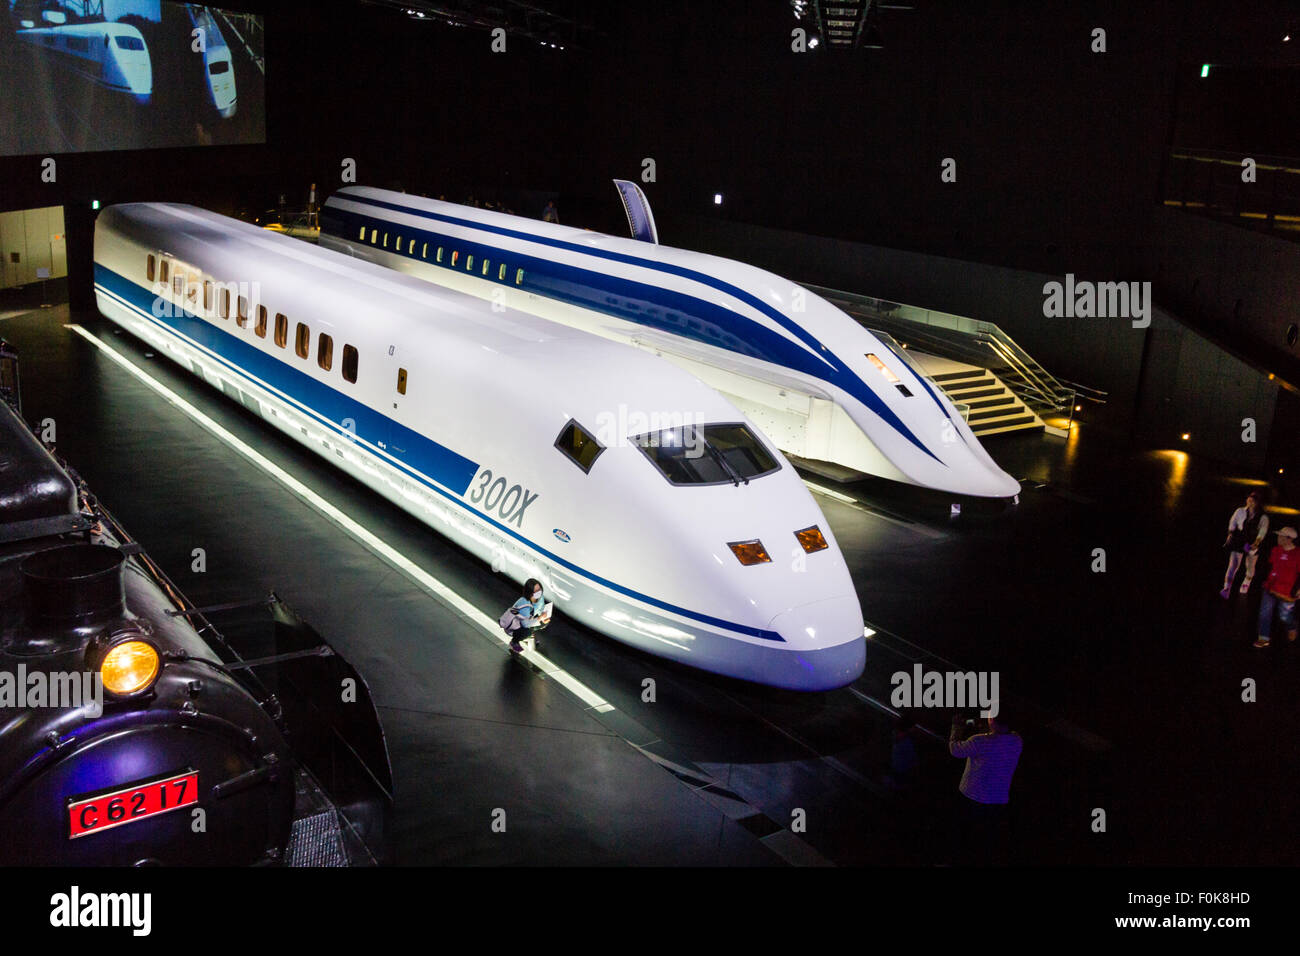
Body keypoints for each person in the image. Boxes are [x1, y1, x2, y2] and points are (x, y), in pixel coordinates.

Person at [949, 710, 1022, 863]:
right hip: (998, 799)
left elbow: (956, 750)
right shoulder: (1017, 741)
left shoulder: (978, 741)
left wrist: (956, 728)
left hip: (971, 795)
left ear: (993, 720)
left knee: (964, 832)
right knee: (985, 838)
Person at [1254, 526, 1299, 648]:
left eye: (1281, 536)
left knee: (1284, 616)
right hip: (1270, 587)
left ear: (1289, 539)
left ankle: (1292, 626)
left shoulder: (1297, 554)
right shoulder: (1275, 550)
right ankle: (1264, 638)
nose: (1278, 538)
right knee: (1264, 613)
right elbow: (1270, 566)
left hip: (1286, 592)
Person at [1222, 491, 1269, 597]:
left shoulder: (1263, 517)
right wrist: (1230, 533)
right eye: (1249, 499)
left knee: (1250, 565)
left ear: (1258, 503)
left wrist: (1256, 543)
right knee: (1233, 564)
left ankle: (1246, 584)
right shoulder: (1240, 511)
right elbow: (1232, 522)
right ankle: (1227, 586)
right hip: (1240, 539)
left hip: (1253, 541)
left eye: (1253, 500)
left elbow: (1263, 531)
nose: (1250, 502)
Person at [506, 578, 551, 653]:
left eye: (539, 589)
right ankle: (514, 642)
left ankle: (528, 635)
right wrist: (540, 618)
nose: (538, 592)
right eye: (535, 591)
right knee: (527, 630)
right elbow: (525, 624)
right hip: (515, 623)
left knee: (544, 622)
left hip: (529, 619)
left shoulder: (540, 598)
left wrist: (543, 618)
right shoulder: (524, 603)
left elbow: (540, 610)